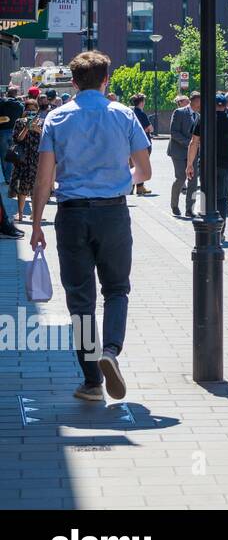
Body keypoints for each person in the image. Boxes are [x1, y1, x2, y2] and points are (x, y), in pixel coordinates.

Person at [30, 51, 152, 403]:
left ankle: (91, 382)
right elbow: (144, 172)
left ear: (73, 81)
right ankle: (111, 351)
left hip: (71, 214)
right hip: (113, 213)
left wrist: (37, 224)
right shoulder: (124, 115)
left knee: (80, 301)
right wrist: (119, 179)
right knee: (116, 289)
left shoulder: (56, 118)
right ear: (106, 80)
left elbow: (43, 178)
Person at [186, 92, 228, 219]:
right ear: (225, 105)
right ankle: (220, 229)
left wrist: (189, 164)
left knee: (206, 192)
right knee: (222, 196)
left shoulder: (203, 118)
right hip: (226, 163)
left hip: (207, 162)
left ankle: (207, 225)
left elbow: (194, 142)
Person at [9, 99, 42, 222]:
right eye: (28, 110)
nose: (31, 113)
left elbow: (47, 139)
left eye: (33, 110)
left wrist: (38, 129)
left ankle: (34, 214)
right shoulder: (19, 122)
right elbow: (17, 139)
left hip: (37, 158)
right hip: (22, 158)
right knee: (21, 186)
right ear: (25, 111)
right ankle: (21, 213)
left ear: (37, 110)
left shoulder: (42, 122)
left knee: (35, 187)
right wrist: (27, 128)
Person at [168, 94, 198, 217]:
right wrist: (189, 143)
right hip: (178, 151)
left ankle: (190, 209)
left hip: (194, 152)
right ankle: (174, 205)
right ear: (194, 101)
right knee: (181, 178)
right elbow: (174, 132)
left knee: (193, 180)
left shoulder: (200, 115)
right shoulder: (179, 112)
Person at [128, 95, 154, 197]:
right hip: (143, 142)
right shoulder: (142, 114)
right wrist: (147, 129)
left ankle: (130, 187)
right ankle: (140, 187)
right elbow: (150, 128)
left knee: (132, 165)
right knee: (141, 165)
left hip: (131, 142)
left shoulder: (131, 112)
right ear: (142, 102)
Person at [0, 85, 24, 183]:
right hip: (16, 132)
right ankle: (16, 176)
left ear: (7, 93)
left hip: (2, 132)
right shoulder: (20, 105)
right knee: (17, 155)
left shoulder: (1, 103)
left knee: (5, 156)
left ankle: (8, 178)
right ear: (16, 94)